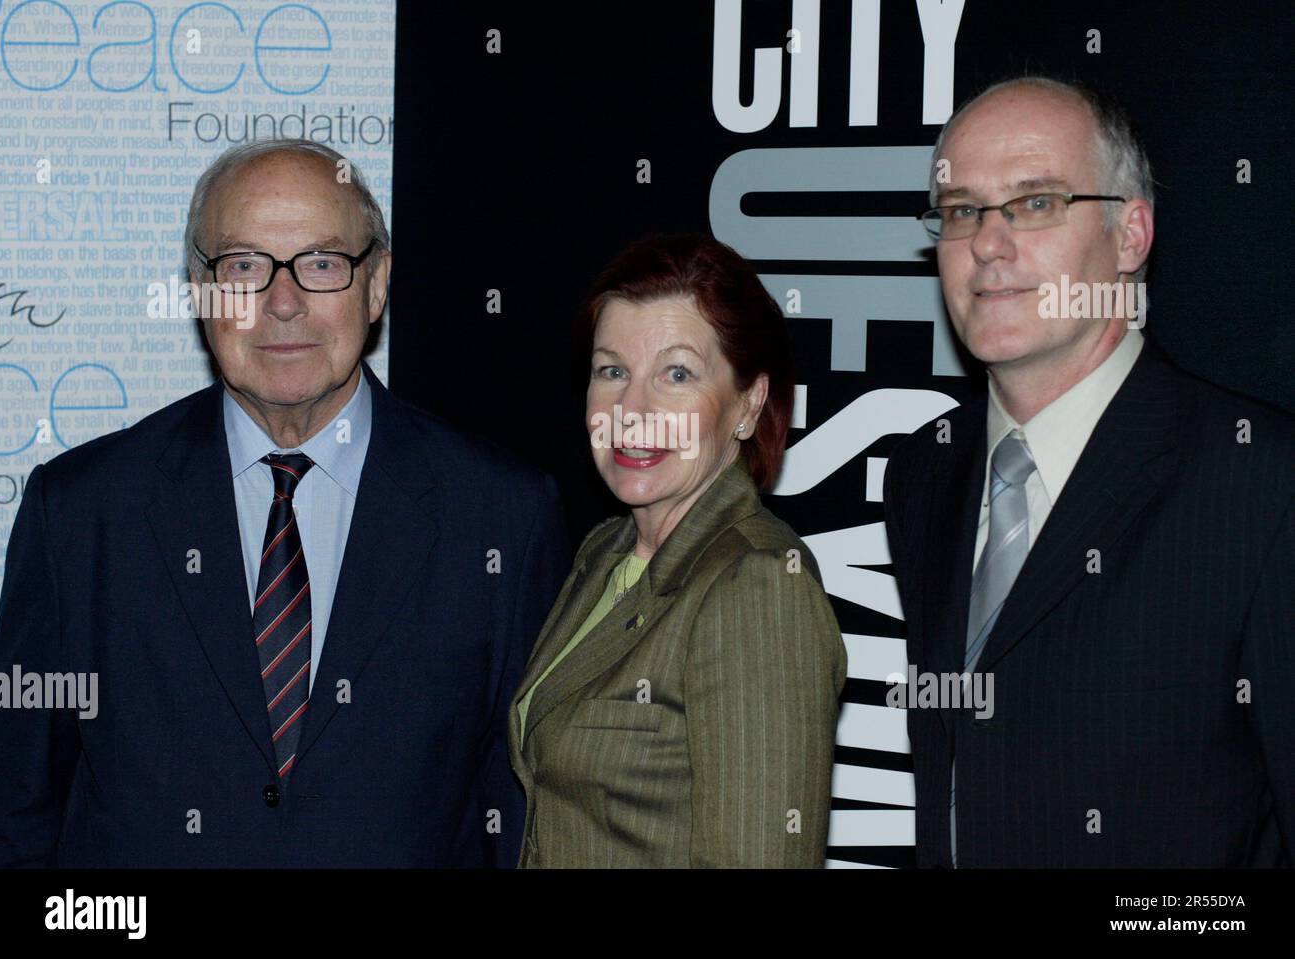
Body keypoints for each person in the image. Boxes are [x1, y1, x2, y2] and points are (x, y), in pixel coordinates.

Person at [0, 138, 568, 867]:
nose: (284, 302)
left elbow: (526, 814)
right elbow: (14, 813)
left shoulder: (501, 519)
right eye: (244, 267)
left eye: (323, 263)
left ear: (378, 283)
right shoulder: (79, 513)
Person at [886, 76, 1294, 867]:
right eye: (962, 209)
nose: (988, 244)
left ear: (1131, 234)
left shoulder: (1262, 483)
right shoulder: (922, 472)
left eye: (1036, 203)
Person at [508, 233, 847, 867]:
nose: (633, 410)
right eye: (612, 371)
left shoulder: (757, 586)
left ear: (748, 403)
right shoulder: (604, 552)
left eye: (677, 374)